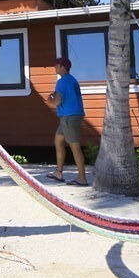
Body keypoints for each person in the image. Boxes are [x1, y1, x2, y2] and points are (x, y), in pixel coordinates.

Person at [45, 57, 87, 186]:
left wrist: (49, 99)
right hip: (70, 116)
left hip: (69, 117)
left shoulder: (62, 82)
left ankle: (82, 178)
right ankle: (58, 172)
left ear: (63, 67)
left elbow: (57, 101)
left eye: (57, 65)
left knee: (75, 147)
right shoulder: (72, 80)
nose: (55, 67)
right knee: (58, 141)